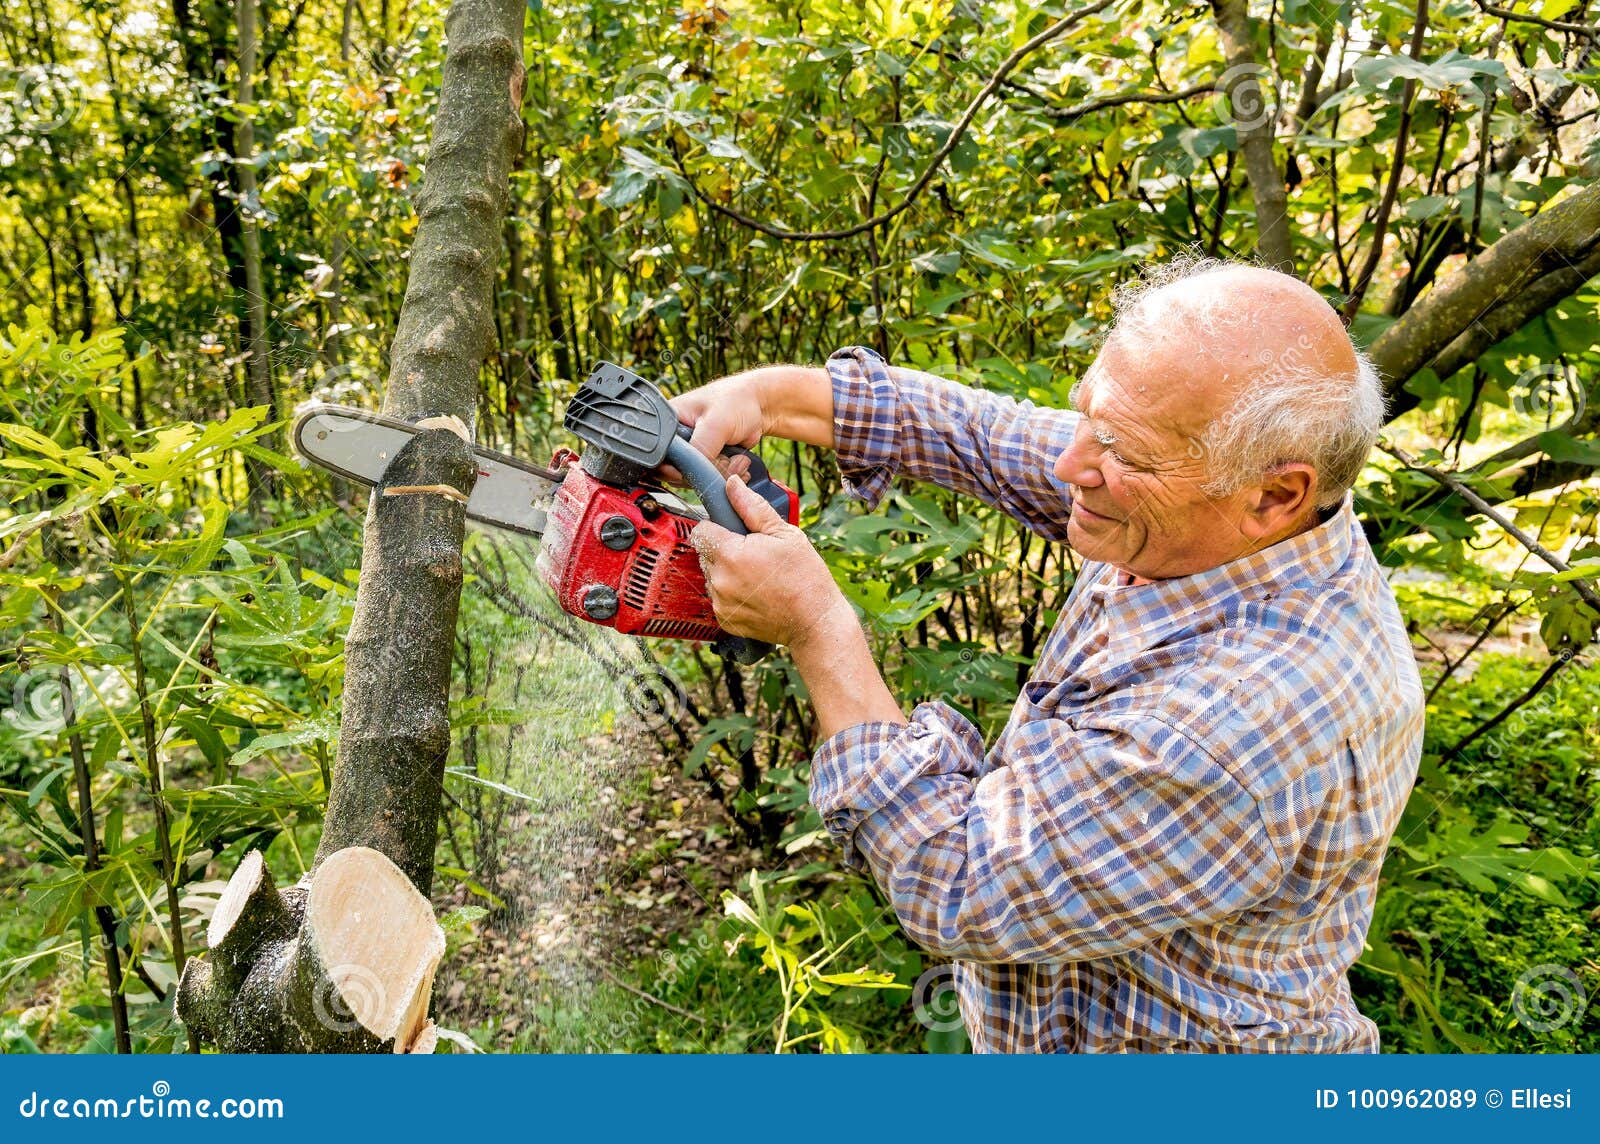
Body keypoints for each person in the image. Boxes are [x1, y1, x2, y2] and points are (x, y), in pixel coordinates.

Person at [669, 258, 1425, 1052]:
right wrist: (767, 398)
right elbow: (989, 438)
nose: (1071, 467)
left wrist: (819, 628)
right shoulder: (1209, 515)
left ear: (1275, 494)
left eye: (1121, 452)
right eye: (1087, 418)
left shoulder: (1238, 719)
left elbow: (956, 879)